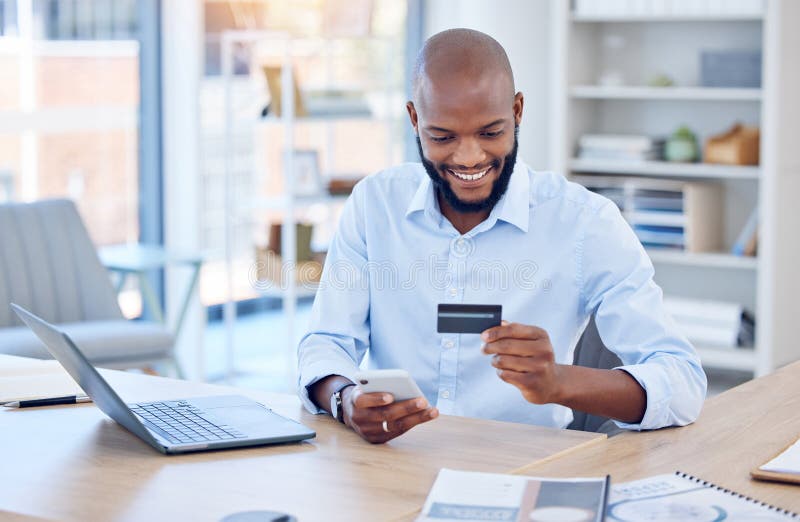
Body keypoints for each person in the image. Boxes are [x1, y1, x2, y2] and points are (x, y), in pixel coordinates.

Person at [297, 28, 706, 444]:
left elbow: (683, 381)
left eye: (491, 133)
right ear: (415, 119)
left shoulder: (585, 222)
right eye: (443, 137)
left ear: (517, 111)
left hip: (522, 470)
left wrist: (558, 382)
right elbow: (327, 341)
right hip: (392, 465)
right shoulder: (374, 205)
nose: (469, 158)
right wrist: (344, 400)